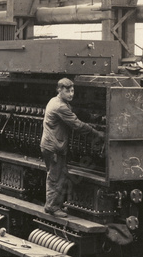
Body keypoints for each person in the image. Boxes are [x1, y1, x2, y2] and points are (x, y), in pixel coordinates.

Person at [40, 77, 104, 217]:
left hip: (51, 145)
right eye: (67, 91)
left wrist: (92, 117)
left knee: (57, 175)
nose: (71, 94)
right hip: (54, 148)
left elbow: (74, 113)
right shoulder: (60, 106)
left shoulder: (55, 101)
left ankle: (53, 205)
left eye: (72, 90)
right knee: (56, 177)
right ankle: (52, 207)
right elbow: (77, 124)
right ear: (59, 90)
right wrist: (96, 133)